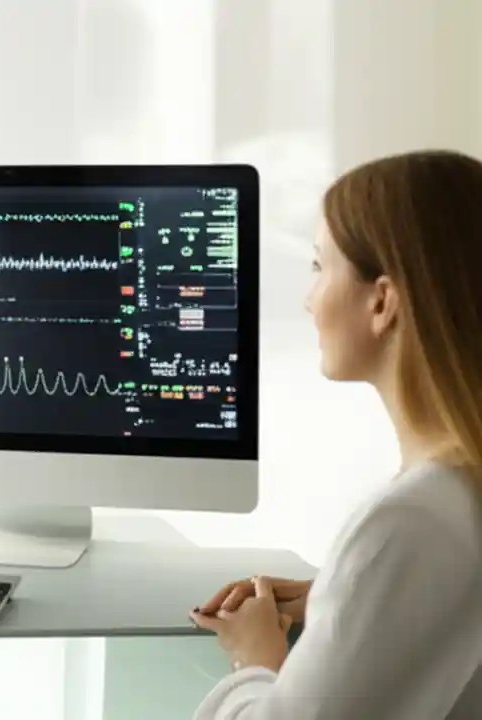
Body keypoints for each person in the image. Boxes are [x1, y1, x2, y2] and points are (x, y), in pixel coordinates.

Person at [189, 149, 482, 718]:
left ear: (382, 301)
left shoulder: (410, 522)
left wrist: (255, 658)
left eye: (320, 267)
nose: (307, 298)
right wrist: (339, 595)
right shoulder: (453, 500)